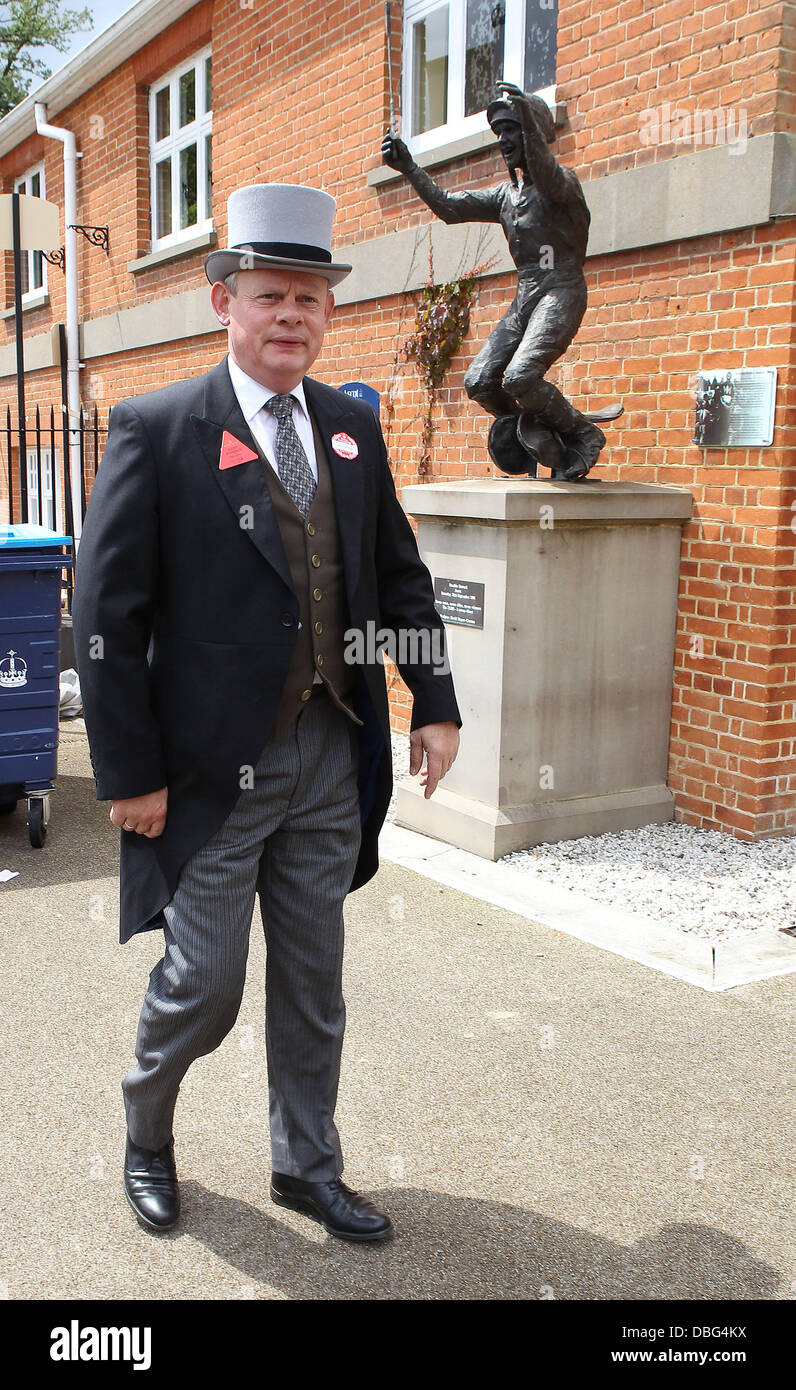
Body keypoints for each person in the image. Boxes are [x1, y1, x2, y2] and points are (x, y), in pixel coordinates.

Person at [73, 182, 461, 1242]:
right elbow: (106, 614)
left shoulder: (347, 427)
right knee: (204, 982)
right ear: (223, 301)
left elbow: (396, 572)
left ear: (327, 311)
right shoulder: (158, 429)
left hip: (331, 751)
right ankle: (146, 1131)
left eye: (309, 297)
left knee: (313, 981)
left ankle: (306, 1165)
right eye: (270, 294)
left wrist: (432, 697)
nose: (292, 314)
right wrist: (128, 773)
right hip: (206, 770)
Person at [382, 80, 606, 478]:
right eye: (499, 132)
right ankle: (535, 425)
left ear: (534, 131)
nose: (504, 140)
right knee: (481, 381)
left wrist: (532, 124)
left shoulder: (563, 186)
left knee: (520, 376)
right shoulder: (506, 196)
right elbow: (450, 208)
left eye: (513, 129)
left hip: (561, 288)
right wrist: (410, 168)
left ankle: (582, 432)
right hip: (527, 294)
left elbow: (549, 175)